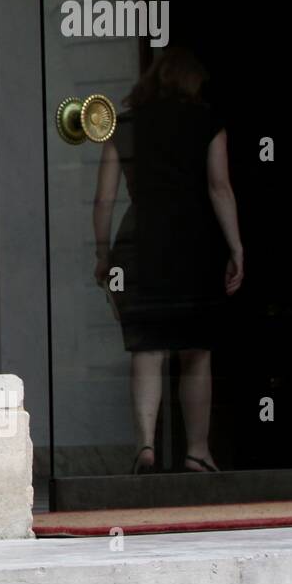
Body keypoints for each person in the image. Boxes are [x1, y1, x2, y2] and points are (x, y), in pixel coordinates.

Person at [92, 46, 243, 476]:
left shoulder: (124, 126)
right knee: (197, 351)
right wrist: (236, 248)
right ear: (191, 82)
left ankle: (145, 447)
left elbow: (103, 200)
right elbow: (220, 189)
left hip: (140, 247)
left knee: (147, 347)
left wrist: (103, 256)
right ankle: (197, 451)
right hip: (194, 247)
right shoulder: (207, 122)